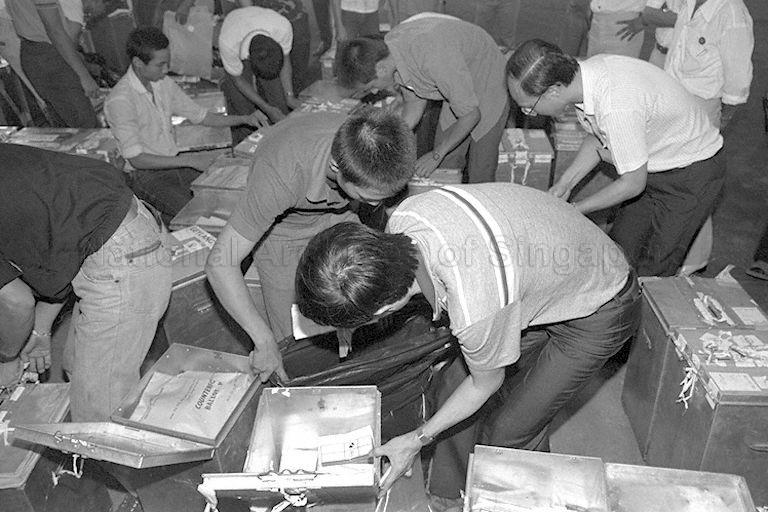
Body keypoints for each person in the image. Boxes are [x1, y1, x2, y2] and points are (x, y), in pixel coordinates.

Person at [295, 184, 641, 505]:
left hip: (601, 303)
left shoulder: (476, 306)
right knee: (450, 386)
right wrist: (351, 321)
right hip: (543, 271)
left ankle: (521, 501)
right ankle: (452, 495)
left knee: (509, 433)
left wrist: (415, 440)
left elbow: (486, 383)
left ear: (384, 310)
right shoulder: (405, 217)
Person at [205, 108, 415, 382]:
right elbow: (220, 263)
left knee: (359, 295)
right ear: (337, 167)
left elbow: (380, 211)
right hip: (285, 227)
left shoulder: (371, 151)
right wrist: (263, 341)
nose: (379, 205)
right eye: (370, 196)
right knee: (290, 336)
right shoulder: (281, 172)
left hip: (347, 209)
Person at [507, 39, 724, 277]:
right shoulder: (585, 79)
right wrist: (564, 184)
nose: (531, 113)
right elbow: (598, 136)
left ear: (553, 91)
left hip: (691, 174)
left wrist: (574, 209)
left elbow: (632, 183)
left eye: (529, 107)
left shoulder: (615, 102)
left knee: (656, 265)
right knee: (620, 251)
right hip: (649, 166)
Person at [0, 144, 172, 421]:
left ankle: (118, 457)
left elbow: (16, 301)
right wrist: (41, 331)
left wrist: (7, 360)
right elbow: (57, 240)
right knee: (78, 367)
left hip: (118, 254)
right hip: (115, 228)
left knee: (98, 413)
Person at [105, 27, 267, 224]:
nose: (166, 70)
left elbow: (201, 116)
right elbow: (138, 159)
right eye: (160, 65)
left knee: (228, 196)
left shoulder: (162, 83)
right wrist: (190, 160)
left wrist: (245, 119)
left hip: (174, 162)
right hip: (145, 175)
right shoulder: (120, 100)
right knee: (202, 217)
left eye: (167, 63)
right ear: (138, 63)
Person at [336, 13, 509, 183]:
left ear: (381, 69)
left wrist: (435, 155)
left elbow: (471, 115)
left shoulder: (432, 58)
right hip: (455, 78)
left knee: (480, 169)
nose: (374, 93)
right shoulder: (390, 51)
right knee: (446, 164)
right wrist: (389, 139)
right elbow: (414, 101)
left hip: (488, 78)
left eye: (371, 87)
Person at [5, 0, 98, 128]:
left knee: (65, 129)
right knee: (87, 130)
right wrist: (84, 76)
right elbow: (55, 31)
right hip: (50, 55)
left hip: (29, 51)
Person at [219, 5, 302, 143]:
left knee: (279, 102)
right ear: (250, 59)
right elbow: (238, 80)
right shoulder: (228, 42)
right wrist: (266, 108)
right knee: (244, 109)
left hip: (264, 36)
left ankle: (284, 141)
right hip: (236, 43)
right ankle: (247, 146)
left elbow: (285, 61)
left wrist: (290, 96)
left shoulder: (282, 27)